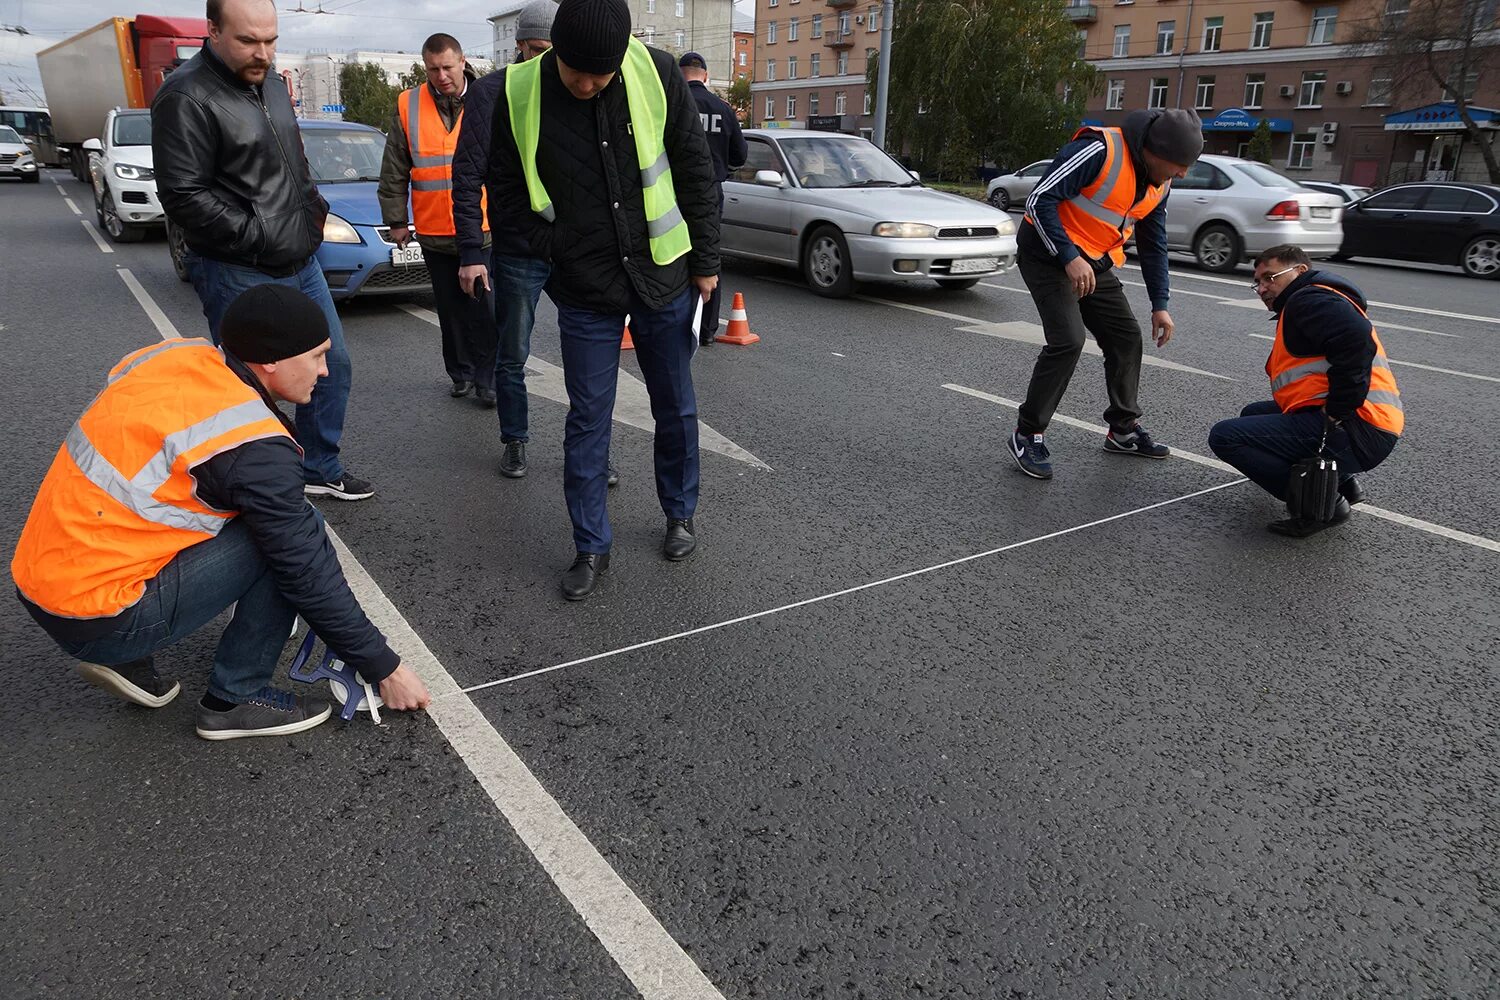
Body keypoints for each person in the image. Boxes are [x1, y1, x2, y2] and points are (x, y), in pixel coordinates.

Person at [11, 286, 432, 740]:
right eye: (316, 356)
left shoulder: (174, 357)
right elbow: (306, 569)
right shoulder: (253, 448)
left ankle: (127, 658)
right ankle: (234, 699)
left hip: (45, 581)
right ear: (271, 361)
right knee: (290, 540)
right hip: (99, 618)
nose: (325, 370)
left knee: (247, 515)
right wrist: (384, 667)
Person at [486, 0, 720, 600]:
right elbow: (508, 198)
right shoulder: (518, 92)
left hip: (662, 274)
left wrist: (707, 265)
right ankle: (591, 545)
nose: (587, 84)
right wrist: (560, 246)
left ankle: (679, 514)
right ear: (554, 50)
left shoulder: (659, 71)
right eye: (575, 72)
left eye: (601, 74)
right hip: (585, 288)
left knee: (675, 404)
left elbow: (695, 170)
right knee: (587, 419)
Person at [152, 0, 373, 502]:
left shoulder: (270, 82)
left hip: (300, 258)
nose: (263, 53)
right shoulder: (185, 96)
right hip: (236, 267)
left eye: (271, 40)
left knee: (330, 365)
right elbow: (183, 196)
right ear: (212, 31)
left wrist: (312, 215)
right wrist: (261, 234)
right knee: (247, 389)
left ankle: (318, 467)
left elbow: (292, 163)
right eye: (249, 41)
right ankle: (256, 487)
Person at [1008, 108, 1202, 480]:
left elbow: (1153, 242)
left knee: (1126, 339)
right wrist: (1068, 256)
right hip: (1047, 254)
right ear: (1152, 150)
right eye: (1179, 164)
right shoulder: (1099, 150)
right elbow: (1038, 201)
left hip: (1094, 260)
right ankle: (1027, 433)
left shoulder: (1161, 180)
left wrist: (1161, 305)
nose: (1182, 173)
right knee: (1068, 340)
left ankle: (1123, 430)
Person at [1209, 245, 1403, 537]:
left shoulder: (1310, 300)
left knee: (1225, 437)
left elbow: (1356, 343)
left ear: (1300, 271)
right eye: (1258, 282)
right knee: (1251, 414)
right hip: (1373, 422)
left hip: (1359, 429)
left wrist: (1338, 410)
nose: (1262, 288)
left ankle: (1321, 504)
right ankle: (1342, 482)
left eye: (1271, 277)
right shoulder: (1315, 298)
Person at [379, 33, 500, 407]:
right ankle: (460, 373)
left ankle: (487, 378)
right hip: (433, 229)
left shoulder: (489, 98)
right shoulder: (408, 105)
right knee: (449, 309)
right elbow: (395, 167)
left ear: (463, 61)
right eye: (433, 69)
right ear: (425, 67)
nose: (441, 75)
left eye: (448, 66)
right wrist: (396, 220)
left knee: (484, 308)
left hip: (481, 228)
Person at [678, 50, 745, 346]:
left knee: (672, 255)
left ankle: (672, 323)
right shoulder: (723, 108)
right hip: (710, 192)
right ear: (705, 76)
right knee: (708, 255)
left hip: (672, 191)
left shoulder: (671, 103)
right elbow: (739, 155)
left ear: (679, 76)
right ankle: (706, 330)